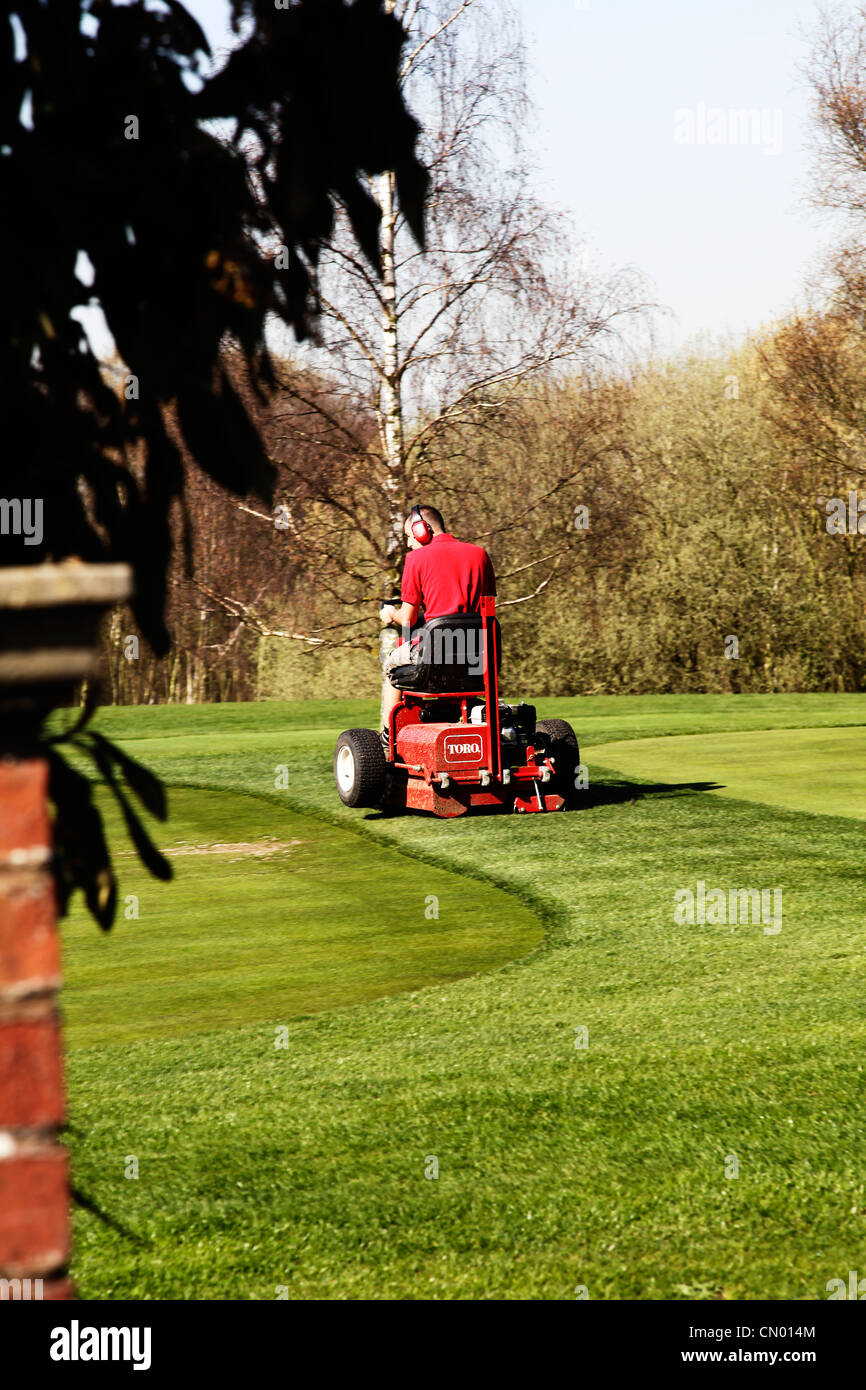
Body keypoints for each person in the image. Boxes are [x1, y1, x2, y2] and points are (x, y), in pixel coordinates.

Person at [379, 504, 496, 738]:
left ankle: (387, 735)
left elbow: (408, 619)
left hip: (434, 656)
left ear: (423, 530)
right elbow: (488, 609)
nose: (410, 543)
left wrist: (391, 614)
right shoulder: (479, 554)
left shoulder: (416, 559)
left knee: (391, 662)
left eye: (409, 537)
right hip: (477, 657)